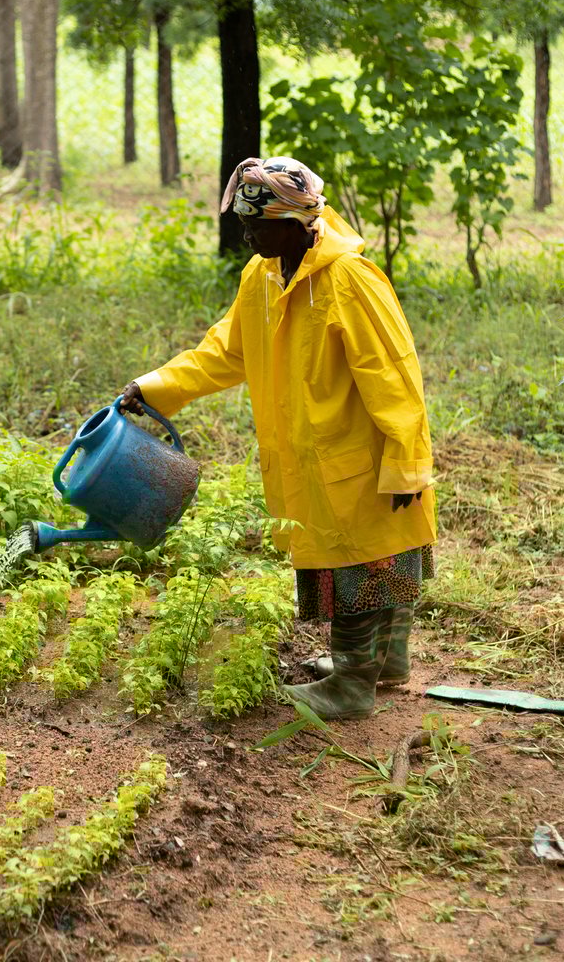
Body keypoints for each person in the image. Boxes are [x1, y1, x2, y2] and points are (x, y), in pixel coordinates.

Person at [121, 156, 437, 721]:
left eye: (256, 225)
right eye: (243, 222)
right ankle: (385, 661)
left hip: (362, 456)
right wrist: (153, 388)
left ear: (296, 223)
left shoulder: (350, 280)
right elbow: (225, 353)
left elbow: (394, 376)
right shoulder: (262, 277)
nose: (246, 236)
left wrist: (406, 463)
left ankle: (352, 686)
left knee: (363, 562)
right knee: (365, 554)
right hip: (309, 458)